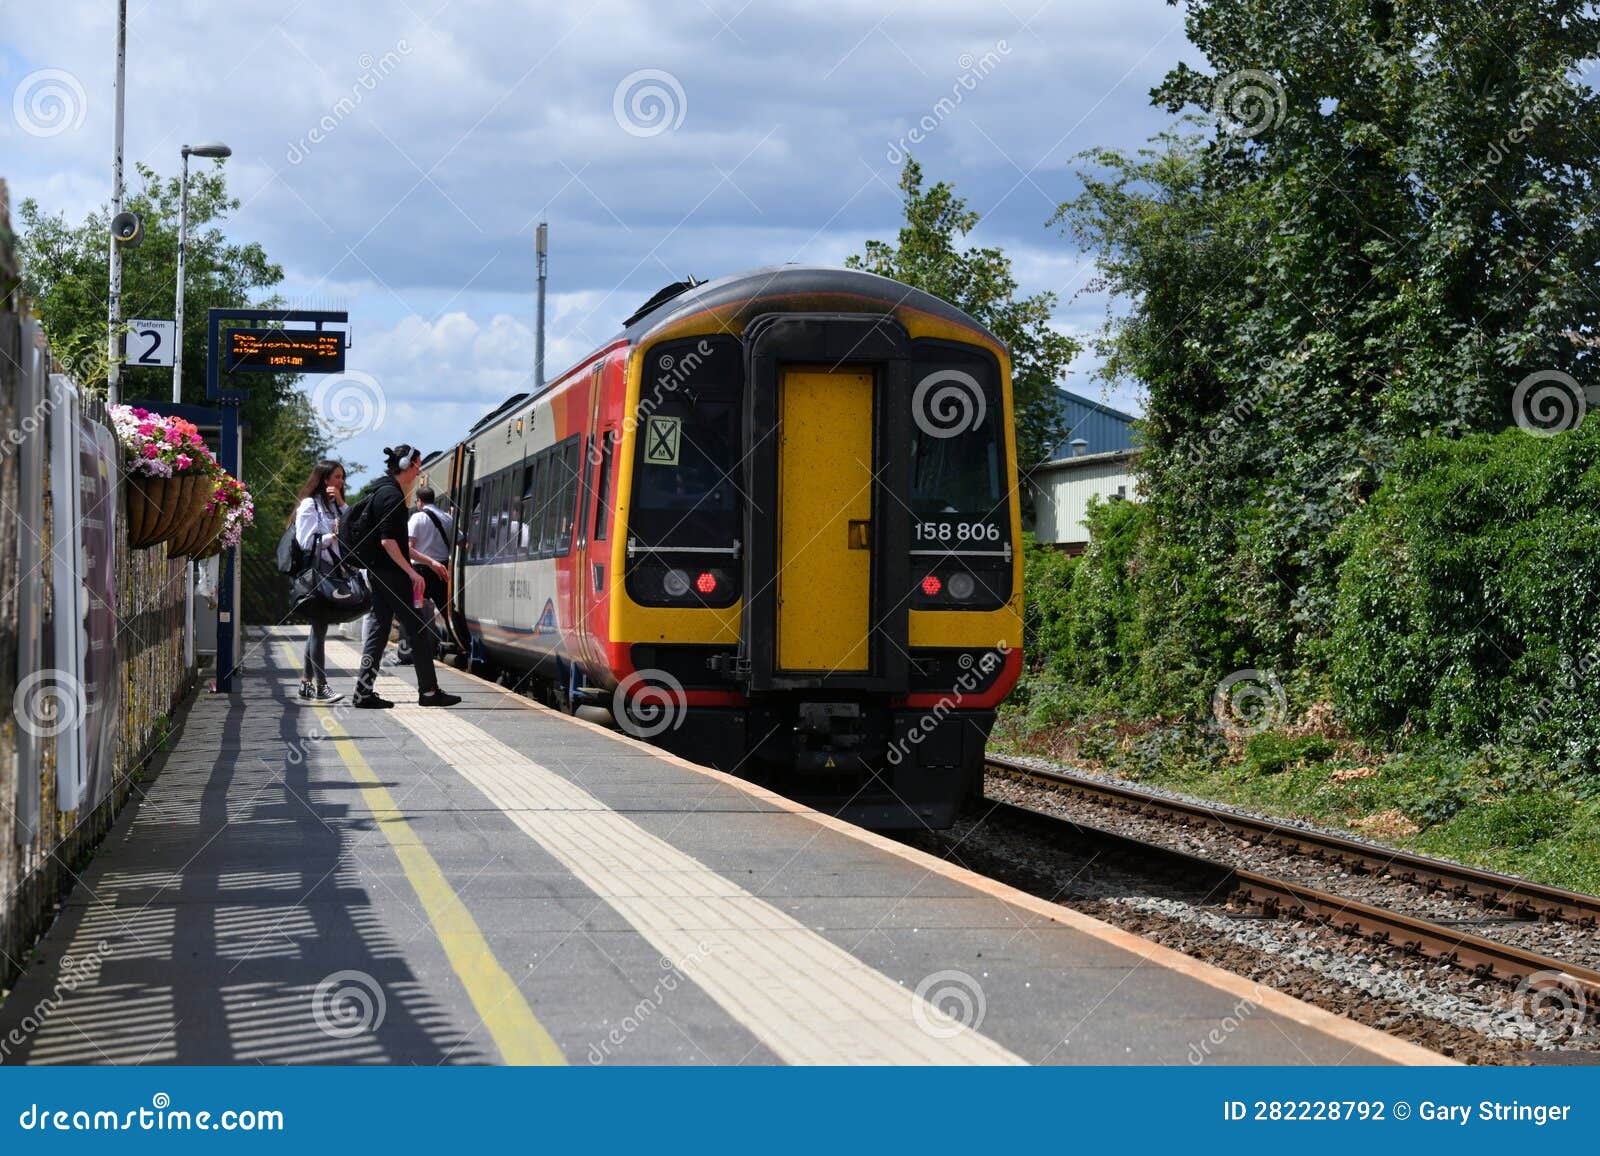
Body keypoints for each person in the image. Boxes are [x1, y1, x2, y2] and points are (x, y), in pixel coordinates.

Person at [350, 445, 462, 709]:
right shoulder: (391, 496)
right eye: (417, 465)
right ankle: (429, 692)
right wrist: (411, 572)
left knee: (378, 634)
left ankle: (363, 692)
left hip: (381, 573)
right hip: (392, 574)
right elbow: (389, 541)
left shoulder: (381, 491)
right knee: (420, 629)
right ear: (405, 465)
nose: (418, 470)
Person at [291, 460, 347, 704]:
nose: (341, 482)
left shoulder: (334, 506)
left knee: (318, 628)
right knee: (319, 628)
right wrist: (331, 536)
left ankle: (306, 683)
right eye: (336, 477)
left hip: (331, 570)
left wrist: (343, 504)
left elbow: (353, 525)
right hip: (316, 573)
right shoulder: (309, 505)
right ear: (324, 479)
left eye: (342, 477)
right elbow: (305, 542)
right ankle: (322, 686)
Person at [396, 487, 453, 665]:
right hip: (442, 570)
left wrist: (428, 561)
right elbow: (461, 541)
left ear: (419, 501)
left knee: (413, 611)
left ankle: (408, 654)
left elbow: (408, 547)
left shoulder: (418, 517)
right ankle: (455, 641)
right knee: (447, 609)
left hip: (420, 572)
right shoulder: (447, 518)